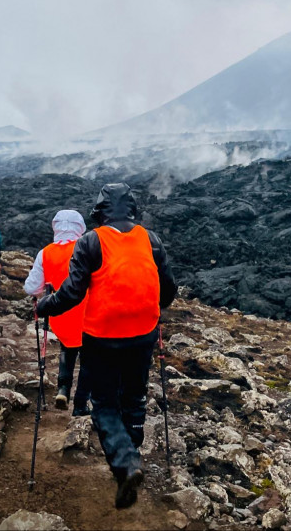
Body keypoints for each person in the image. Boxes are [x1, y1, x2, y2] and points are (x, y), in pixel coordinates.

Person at [36, 184, 176, 509]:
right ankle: (131, 453)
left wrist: (45, 306)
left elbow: (71, 293)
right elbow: (168, 291)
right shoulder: (151, 240)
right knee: (134, 396)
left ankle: (126, 463)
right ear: (132, 209)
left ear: (99, 212)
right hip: (143, 334)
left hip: (102, 336)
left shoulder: (90, 242)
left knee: (103, 404)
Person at [24, 209, 91, 415]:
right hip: (88, 313)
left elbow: (32, 288)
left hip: (60, 313)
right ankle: (81, 404)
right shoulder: (86, 249)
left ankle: (63, 389)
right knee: (88, 358)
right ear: (80, 227)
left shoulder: (45, 253)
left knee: (67, 350)